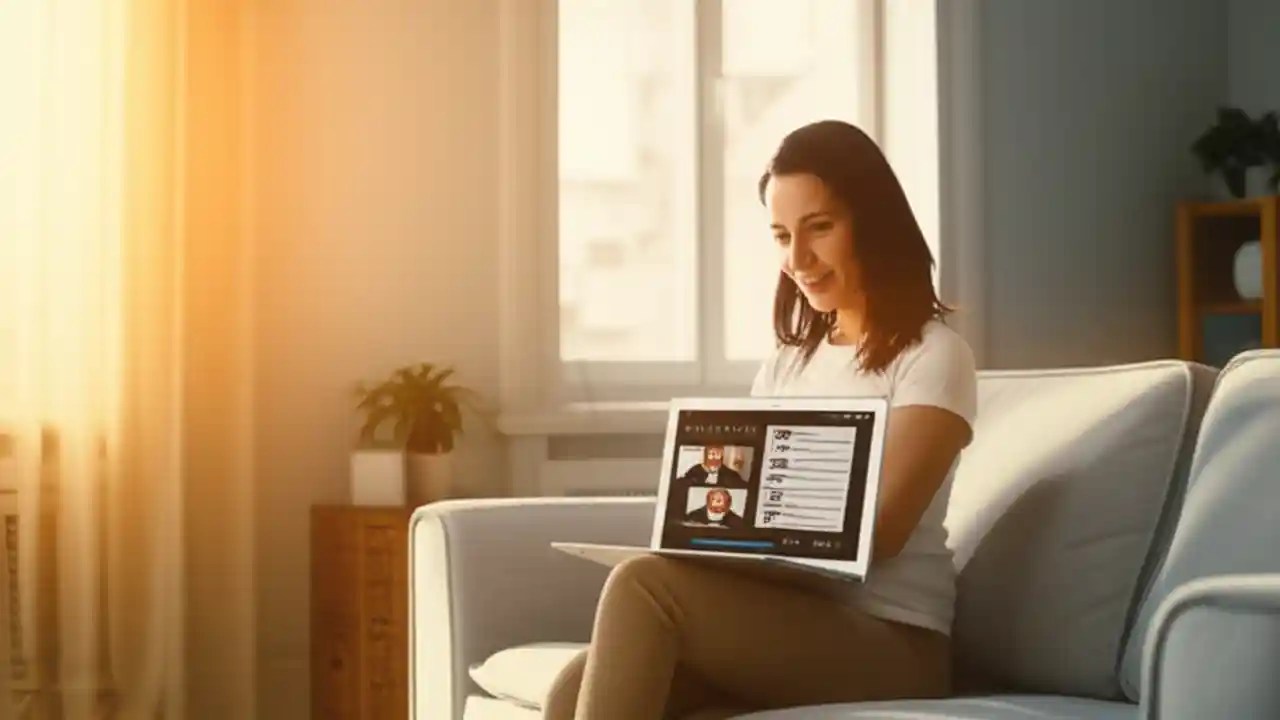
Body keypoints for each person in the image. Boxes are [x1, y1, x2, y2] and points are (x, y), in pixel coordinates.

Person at [543, 120, 977, 720]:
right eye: (780, 236)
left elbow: (883, 531)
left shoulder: (934, 356)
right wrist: (710, 538)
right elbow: (749, 511)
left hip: (893, 638)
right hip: (793, 615)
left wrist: (752, 536)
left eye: (819, 228)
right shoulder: (786, 366)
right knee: (573, 688)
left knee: (644, 587)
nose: (798, 259)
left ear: (872, 223)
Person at [679, 445, 748, 488]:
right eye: (711, 454)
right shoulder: (695, 470)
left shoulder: (730, 474)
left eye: (717, 454)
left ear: (722, 455)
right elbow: (683, 483)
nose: (714, 457)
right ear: (706, 455)